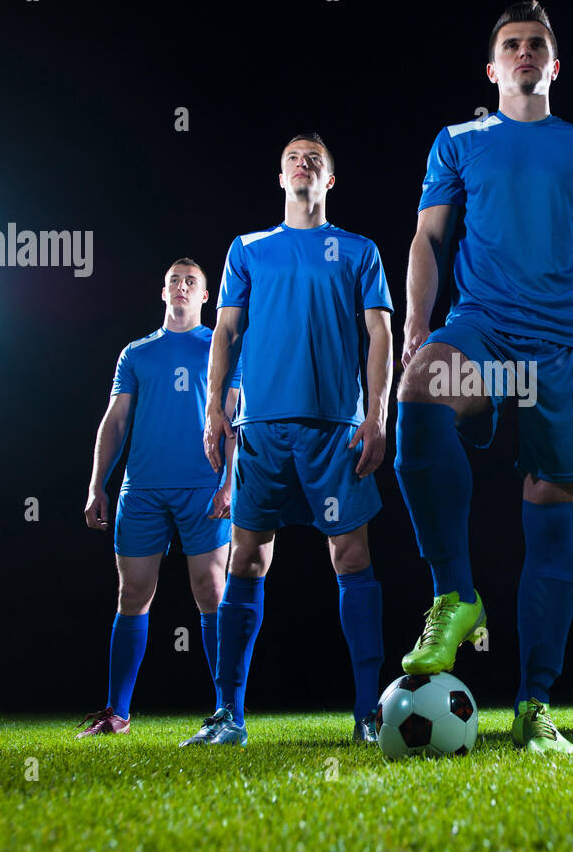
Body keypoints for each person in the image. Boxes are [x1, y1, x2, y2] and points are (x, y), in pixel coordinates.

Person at [395, 0, 573, 753]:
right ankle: (456, 593)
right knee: (419, 393)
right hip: (485, 329)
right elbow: (428, 237)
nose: (524, 53)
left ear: (554, 65)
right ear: (492, 66)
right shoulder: (457, 140)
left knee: (550, 512)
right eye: (511, 45)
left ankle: (534, 704)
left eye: (536, 44)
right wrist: (416, 325)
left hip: (566, 343)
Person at [187, 134, 394, 746]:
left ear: (330, 180)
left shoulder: (358, 251)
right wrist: (213, 413)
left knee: (351, 557)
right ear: (281, 177)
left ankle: (365, 715)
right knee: (247, 558)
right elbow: (225, 331)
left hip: (336, 427)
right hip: (260, 429)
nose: (304, 164)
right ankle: (229, 716)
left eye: (316, 159)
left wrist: (377, 416)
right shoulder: (249, 249)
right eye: (293, 158)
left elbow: (380, 335)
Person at [77, 259, 240, 738]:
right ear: (163, 291)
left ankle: (226, 710)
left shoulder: (221, 348)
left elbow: (234, 420)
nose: (182, 287)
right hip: (142, 490)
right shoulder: (136, 353)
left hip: (204, 487)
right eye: (174, 280)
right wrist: (96, 484)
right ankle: (116, 713)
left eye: (192, 282)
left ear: (206, 295)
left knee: (212, 593)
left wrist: (231, 482)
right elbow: (116, 421)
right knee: (132, 595)